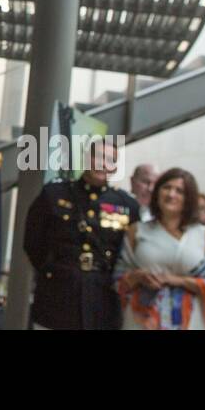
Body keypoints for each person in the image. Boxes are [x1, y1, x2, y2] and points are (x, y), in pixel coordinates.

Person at [22, 137, 141, 329]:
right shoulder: (54, 194)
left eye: (110, 160)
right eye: (99, 156)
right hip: (58, 293)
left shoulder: (127, 205)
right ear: (86, 158)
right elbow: (33, 241)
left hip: (103, 297)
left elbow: (130, 252)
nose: (103, 164)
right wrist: (54, 270)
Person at [115, 167, 205, 329]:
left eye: (180, 191)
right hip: (142, 320)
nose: (171, 194)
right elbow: (117, 280)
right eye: (167, 188)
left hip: (192, 321)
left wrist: (180, 281)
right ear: (157, 192)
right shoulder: (136, 231)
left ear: (189, 199)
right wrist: (137, 277)